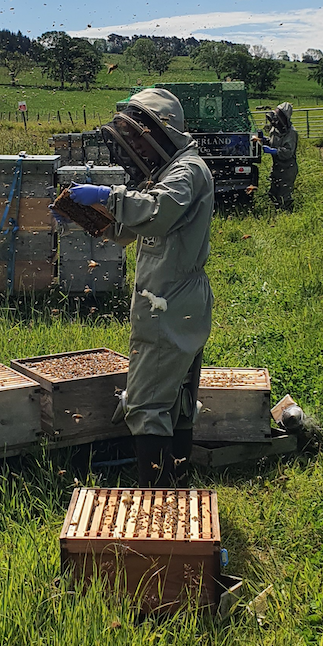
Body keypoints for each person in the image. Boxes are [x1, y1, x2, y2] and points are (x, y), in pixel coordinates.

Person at [67, 88, 214, 487]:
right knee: (178, 400)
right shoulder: (173, 172)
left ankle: (157, 500)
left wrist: (108, 196)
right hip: (174, 297)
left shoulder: (187, 172)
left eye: (137, 136)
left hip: (169, 300)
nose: (135, 147)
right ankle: (177, 486)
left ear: (158, 131)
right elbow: (138, 228)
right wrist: (89, 215)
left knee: (146, 404)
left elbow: (157, 212)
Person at [261, 101, 298, 210]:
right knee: (273, 193)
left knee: (284, 196)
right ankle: (277, 216)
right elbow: (274, 143)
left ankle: (288, 217)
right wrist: (265, 141)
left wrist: (273, 151)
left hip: (287, 168)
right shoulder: (275, 129)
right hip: (277, 167)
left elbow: (288, 152)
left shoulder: (291, 133)